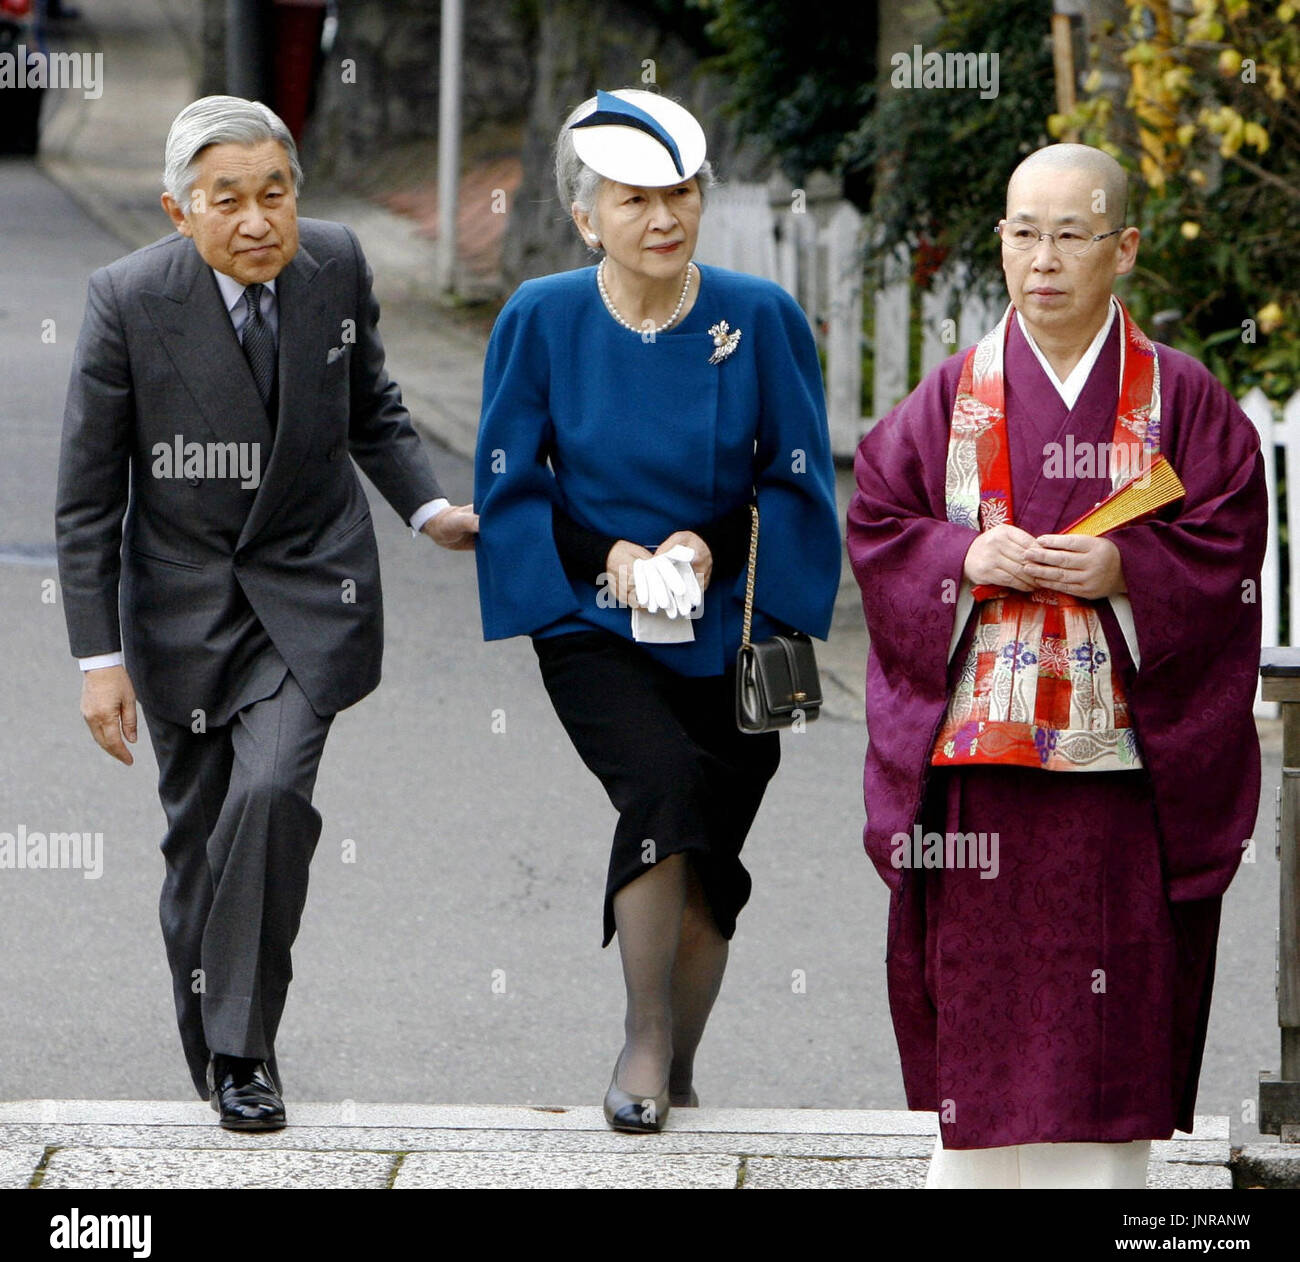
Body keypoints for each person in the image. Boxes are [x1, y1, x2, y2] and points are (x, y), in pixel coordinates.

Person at [847, 143, 1266, 1188]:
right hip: (980, 768)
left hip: (1122, 767)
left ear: (1121, 248)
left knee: (1111, 998)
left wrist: (1126, 566)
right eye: (1023, 233)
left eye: (1070, 234)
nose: (1042, 259)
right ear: (998, 243)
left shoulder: (1185, 399)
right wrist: (963, 557)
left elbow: (1228, 543)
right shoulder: (951, 396)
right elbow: (879, 522)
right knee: (983, 995)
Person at [55, 95, 478, 1131]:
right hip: (183, 609)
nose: (258, 221)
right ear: (178, 211)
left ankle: (245, 1050)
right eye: (228, 200)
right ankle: (215, 1037)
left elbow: (369, 403)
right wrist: (96, 660)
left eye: (276, 193)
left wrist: (426, 507)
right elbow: (86, 499)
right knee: (199, 840)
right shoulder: (125, 300)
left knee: (272, 794)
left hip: (307, 591)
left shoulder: (333, 265)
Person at [473, 89, 841, 1132]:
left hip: (737, 620)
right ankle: (642, 1039)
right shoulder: (540, 318)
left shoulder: (756, 315)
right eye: (633, 199)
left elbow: (800, 473)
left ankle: (679, 1065)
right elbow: (512, 479)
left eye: (680, 193)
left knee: (712, 850)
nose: (663, 217)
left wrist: (703, 544)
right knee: (664, 786)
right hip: (595, 621)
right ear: (586, 216)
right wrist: (613, 556)